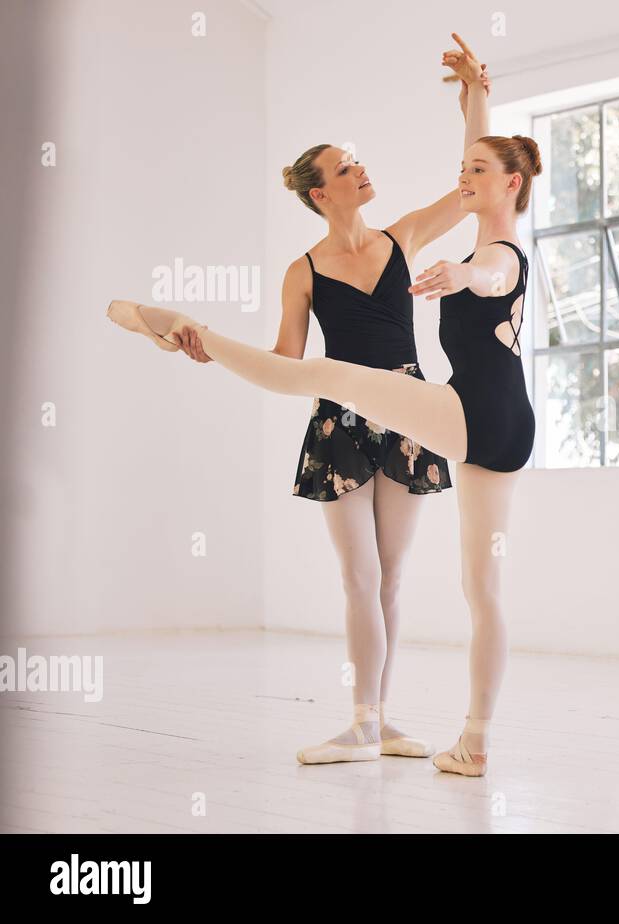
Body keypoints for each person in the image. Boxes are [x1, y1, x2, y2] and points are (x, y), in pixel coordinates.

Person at [106, 37, 540, 776]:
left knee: (395, 577)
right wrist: (474, 102)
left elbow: (482, 191)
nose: (361, 170)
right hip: (362, 417)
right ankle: (372, 724)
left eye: (357, 162)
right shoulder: (302, 270)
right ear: (320, 192)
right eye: (346, 167)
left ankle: (388, 722)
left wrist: (475, 109)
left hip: (417, 410)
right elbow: (287, 358)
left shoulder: (408, 237)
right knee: (363, 568)